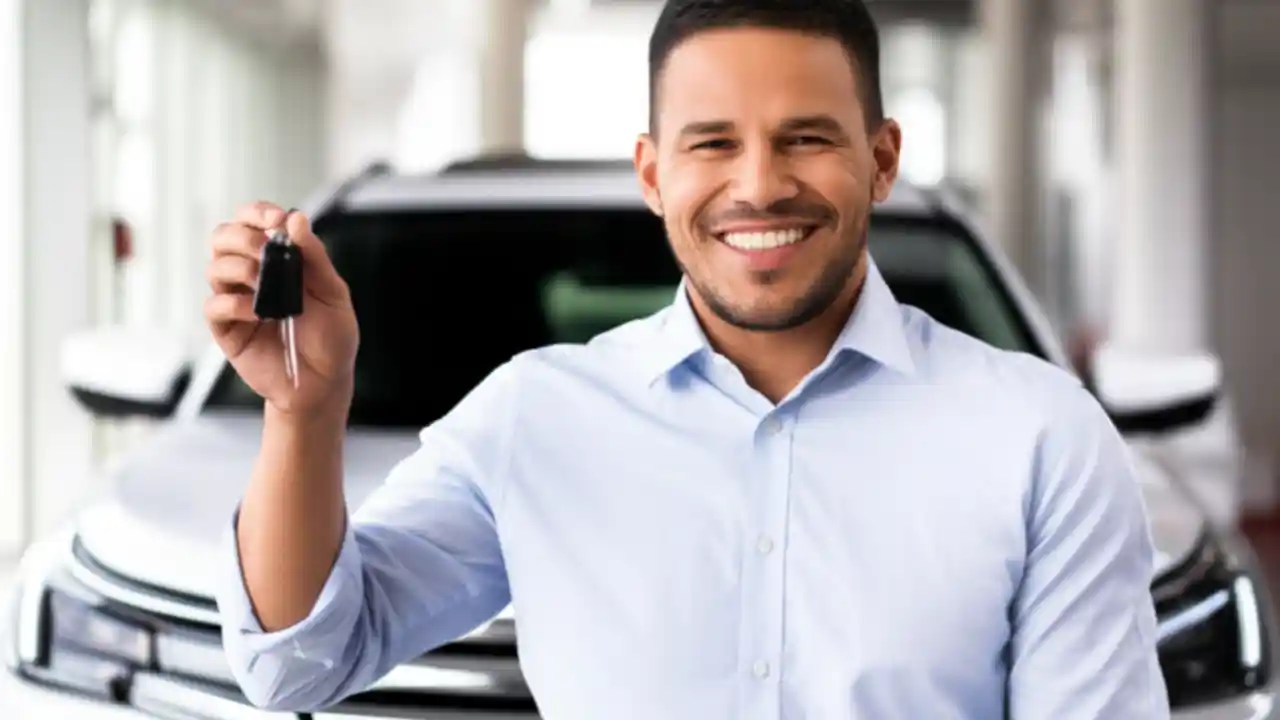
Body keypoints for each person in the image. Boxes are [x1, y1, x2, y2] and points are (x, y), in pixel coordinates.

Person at [205, 1, 1170, 717]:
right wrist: (304, 412)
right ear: (654, 173)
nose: (759, 185)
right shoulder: (533, 419)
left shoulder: (1041, 436)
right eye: (712, 143)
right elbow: (298, 664)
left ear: (881, 159)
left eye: (807, 139)